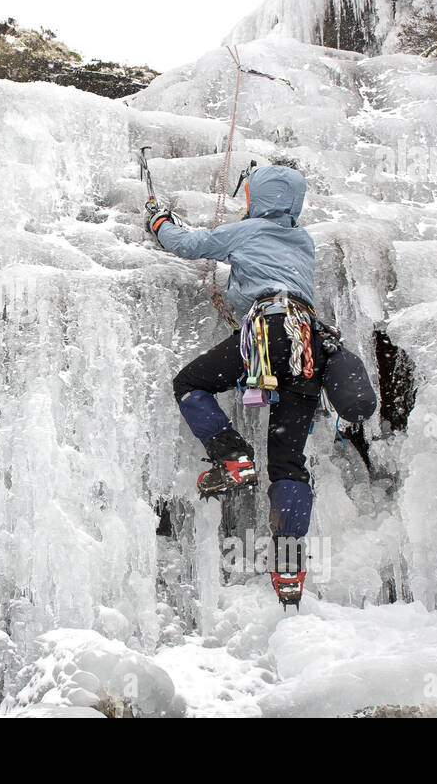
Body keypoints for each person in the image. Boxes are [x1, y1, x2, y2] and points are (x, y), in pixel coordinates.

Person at [145, 163, 375, 606]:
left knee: (191, 384)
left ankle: (232, 458)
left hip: (269, 331)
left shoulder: (248, 231)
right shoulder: (302, 239)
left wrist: (159, 220)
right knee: (289, 464)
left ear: (258, 198)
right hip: (308, 345)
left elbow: (187, 244)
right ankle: (289, 569)